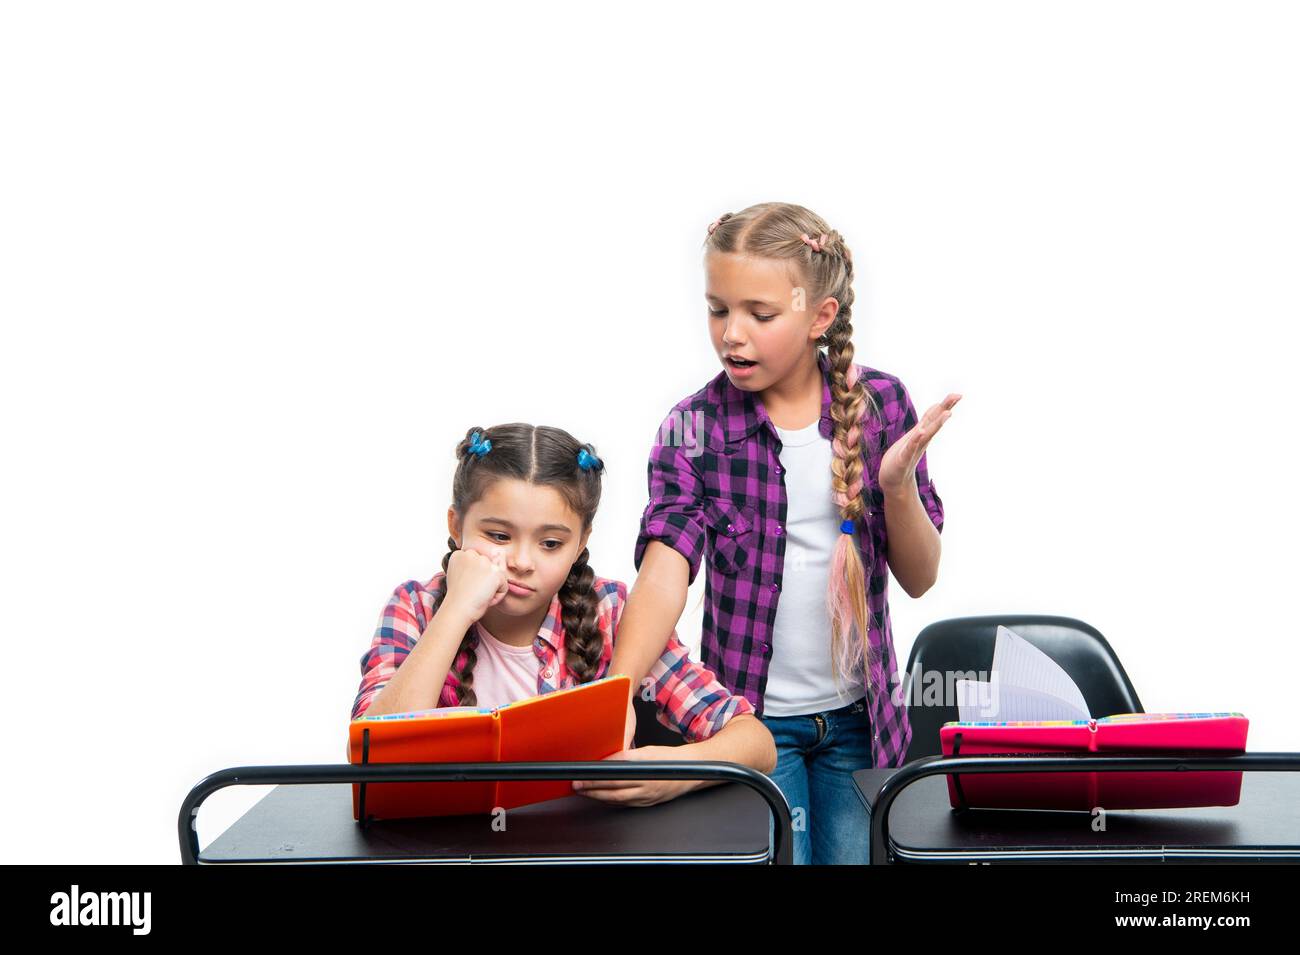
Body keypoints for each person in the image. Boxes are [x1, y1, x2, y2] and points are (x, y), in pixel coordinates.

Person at [610, 201, 960, 861]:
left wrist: (895, 487)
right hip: (753, 725)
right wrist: (619, 692)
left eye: (760, 315)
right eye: (718, 309)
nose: (731, 335)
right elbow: (663, 571)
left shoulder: (882, 403)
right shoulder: (694, 427)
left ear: (819, 316)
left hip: (860, 723)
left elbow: (920, 578)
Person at [350, 422, 776, 808]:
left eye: (550, 544)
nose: (521, 562)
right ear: (456, 525)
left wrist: (675, 773)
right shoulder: (416, 607)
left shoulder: (613, 614)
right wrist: (456, 610)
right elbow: (371, 758)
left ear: (581, 542)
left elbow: (756, 743)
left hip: (580, 848)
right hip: (449, 846)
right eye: (498, 536)